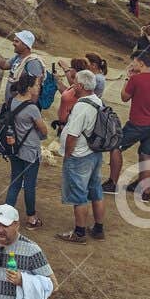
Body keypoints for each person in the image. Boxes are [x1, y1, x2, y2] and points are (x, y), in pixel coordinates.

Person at [56, 70, 108, 243]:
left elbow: (73, 135)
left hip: (79, 156)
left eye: (74, 83)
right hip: (94, 154)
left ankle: (79, 232)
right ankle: (98, 228)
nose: (72, 86)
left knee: (79, 195)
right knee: (96, 191)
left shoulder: (81, 106)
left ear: (80, 86)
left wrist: (67, 155)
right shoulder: (98, 101)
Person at [106, 55, 150, 198]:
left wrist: (128, 78)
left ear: (141, 64)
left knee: (115, 146)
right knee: (149, 157)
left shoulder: (135, 79)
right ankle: (146, 192)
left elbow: (124, 97)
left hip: (138, 123)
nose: (131, 66)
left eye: (133, 63)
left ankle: (113, 182)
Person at [2, 70, 47, 227]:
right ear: (29, 88)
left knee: (15, 182)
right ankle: (31, 217)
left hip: (15, 148)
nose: (38, 87)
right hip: (30, 151)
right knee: (29, 185)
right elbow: (44, 130)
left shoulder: (13, 101)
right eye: (36, 85)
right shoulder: (32, 109)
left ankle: (6, 214)